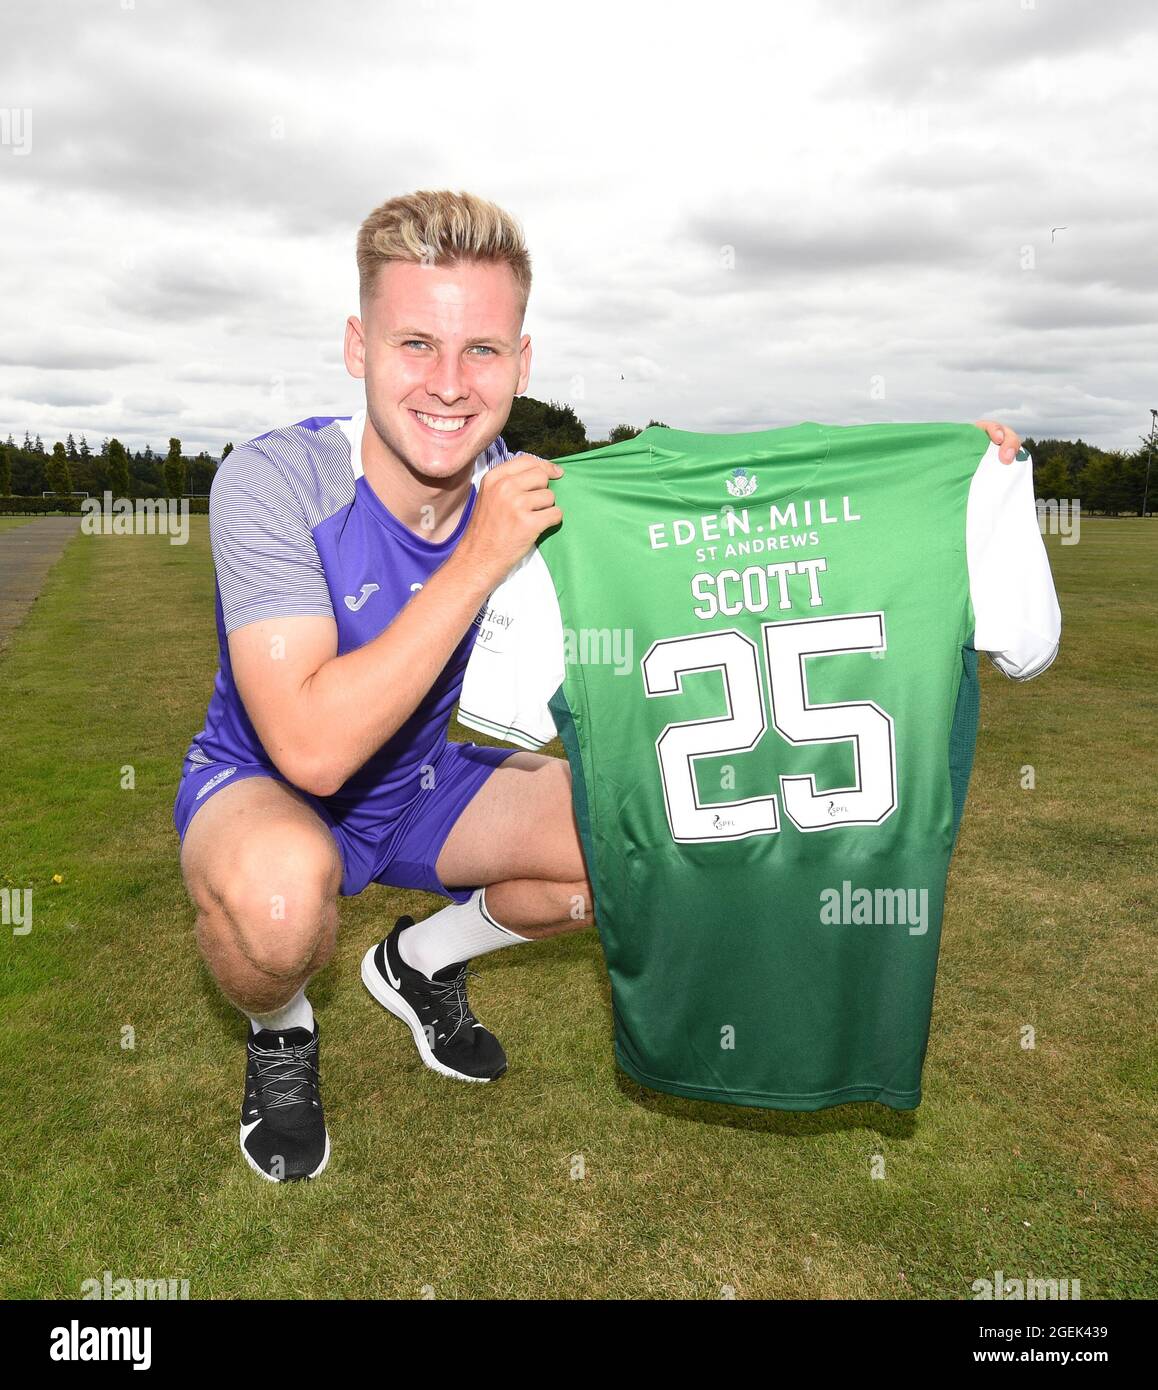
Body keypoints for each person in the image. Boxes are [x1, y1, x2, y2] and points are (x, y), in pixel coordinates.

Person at [174, 188, 1024, 1182]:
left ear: (521, 362)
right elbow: (312, 745)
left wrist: (932, 471)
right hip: (269, 785)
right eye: (416, 345)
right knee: (279, 914)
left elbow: (734, 496)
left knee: (641, 855)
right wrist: (476, 559)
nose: (449, 383)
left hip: (418, 781)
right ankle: (282, 1029)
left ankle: (419, 963)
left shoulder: (536, 494)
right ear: (358, 346)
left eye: (481, 350)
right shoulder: (277, 482)